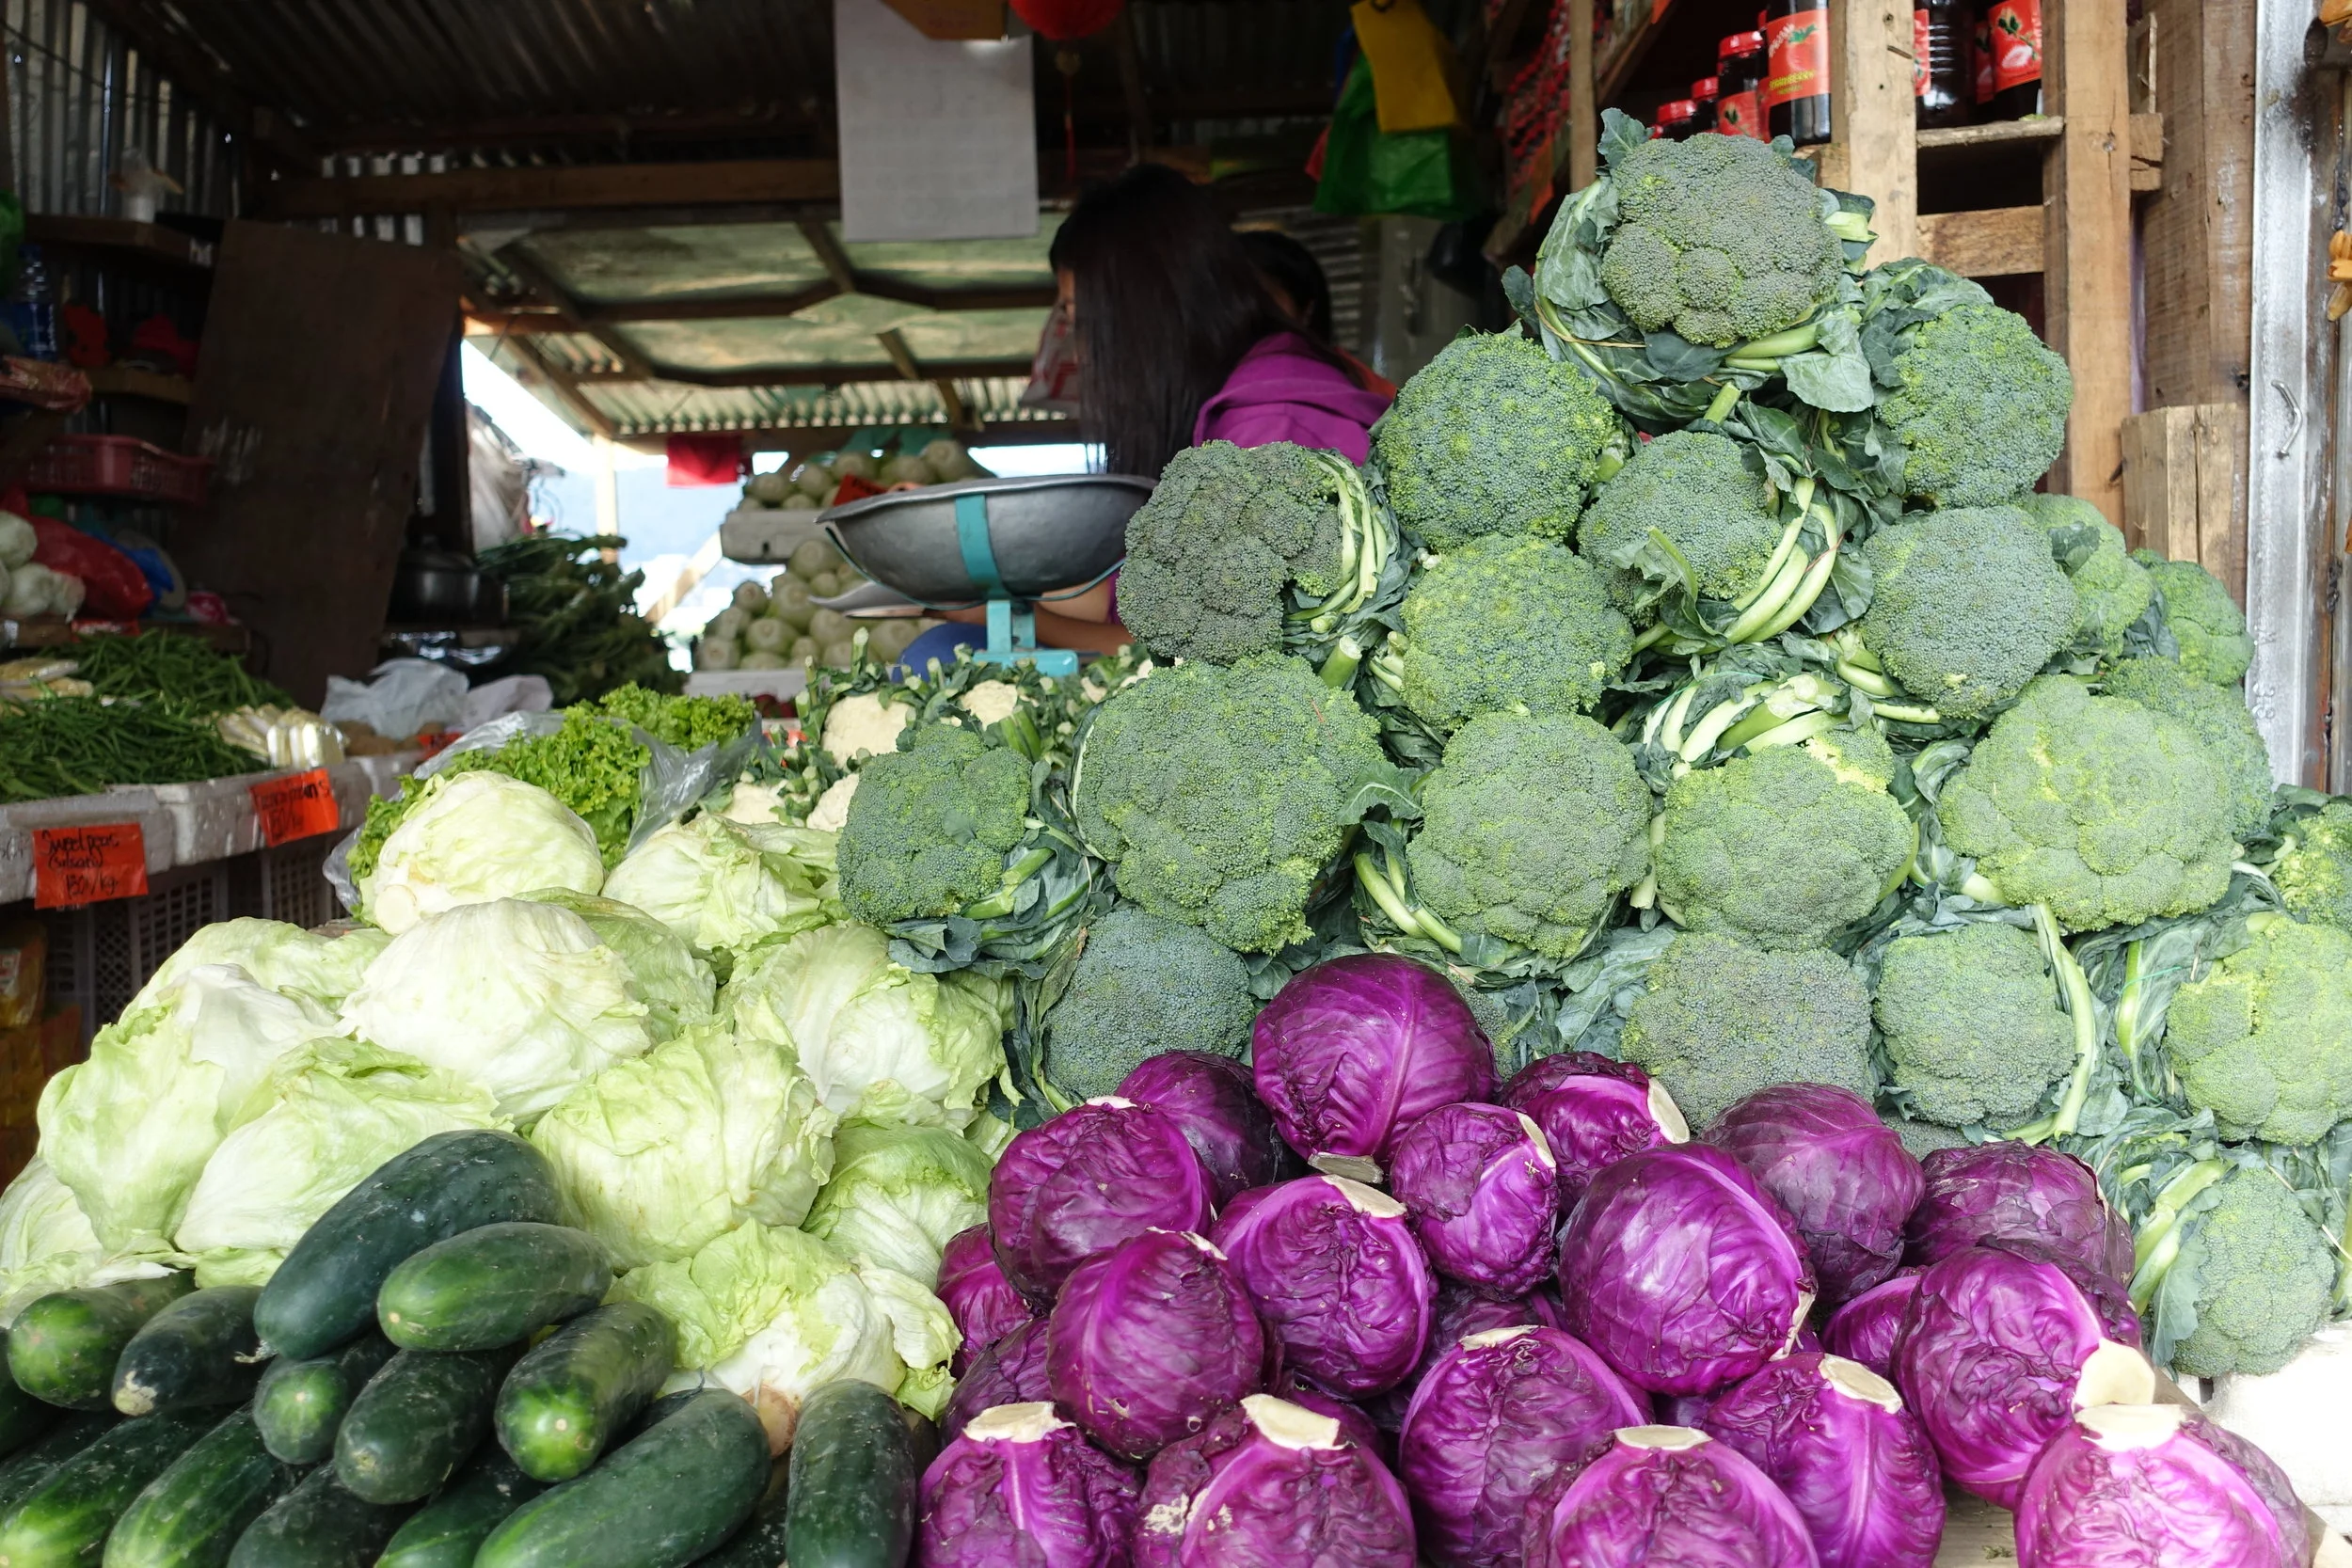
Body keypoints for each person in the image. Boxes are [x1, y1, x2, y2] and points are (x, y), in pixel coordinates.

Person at [898, 163, 1393, 670]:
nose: (1082, 355)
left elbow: (1205, 657)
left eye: (1081, 321)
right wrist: (970, 560)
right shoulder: (1236, 402)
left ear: (1142, 315)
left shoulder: (1268, 434)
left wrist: (1003, 620)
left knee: (934, 657)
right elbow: (1132, 598)